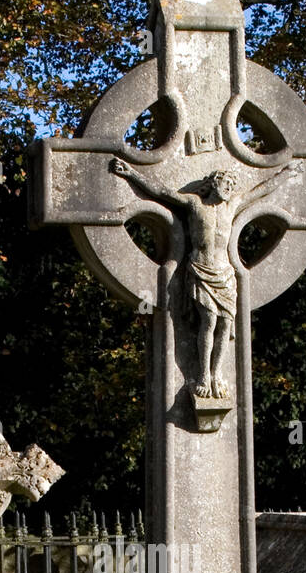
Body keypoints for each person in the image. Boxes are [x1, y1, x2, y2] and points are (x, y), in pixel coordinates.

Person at [110, 155, 291, 398]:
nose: (229, 188)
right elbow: (162, 192)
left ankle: (216, 374)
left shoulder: (232, 206)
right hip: (201, 270)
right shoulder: (195, 204)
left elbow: (260, 191)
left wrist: (286, 174)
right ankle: (204, 373)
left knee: (226, 324)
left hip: (224, 274)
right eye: (225, 183)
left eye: (232, 185)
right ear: (213, 184)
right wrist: (131, 173)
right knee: (209, 321)